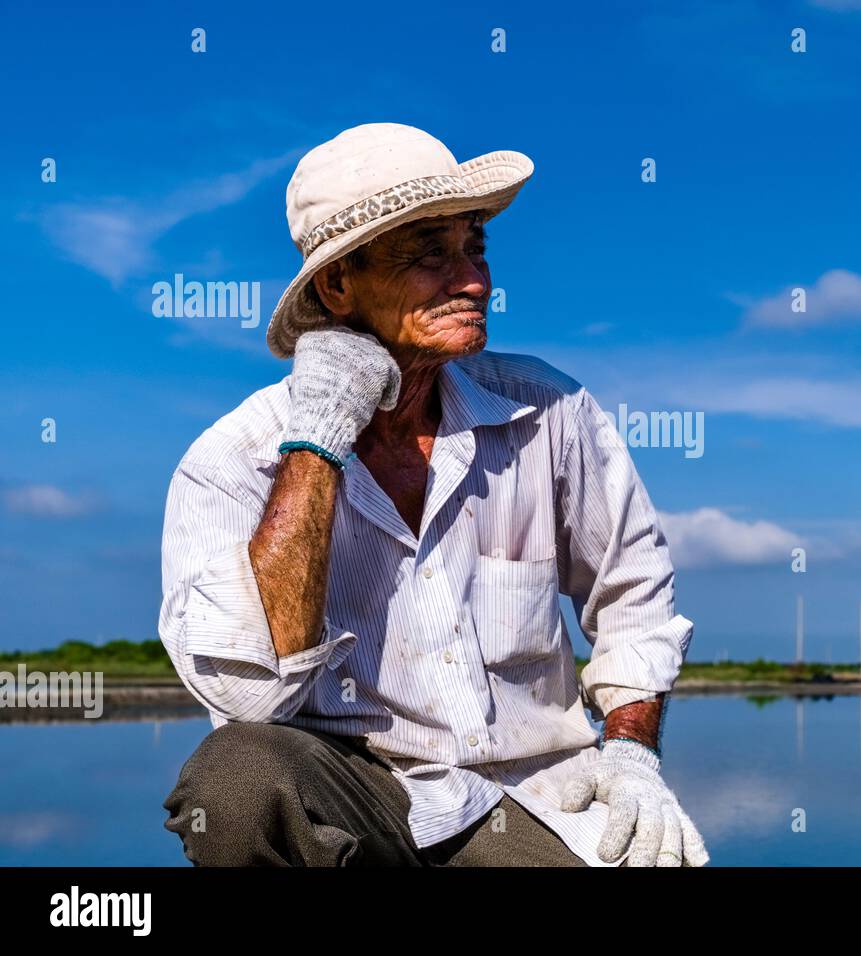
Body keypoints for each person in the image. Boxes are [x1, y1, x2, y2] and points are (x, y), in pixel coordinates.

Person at [159, 123, 707, 867]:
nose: (475, 280)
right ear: (338, 285)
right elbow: (249, 704)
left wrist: (631, 753)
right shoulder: (232, 461)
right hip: (356, 794)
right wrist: (319, 437)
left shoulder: (549, 410)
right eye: (429, 256)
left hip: (533, 792)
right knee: (235, 782)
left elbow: (634, 601)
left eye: (474, 247)